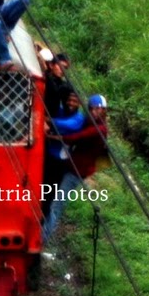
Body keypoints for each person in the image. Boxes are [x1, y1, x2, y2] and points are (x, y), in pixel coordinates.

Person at [41, 93, 110, 242]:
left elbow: (77, 137)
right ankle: (41, 233)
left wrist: (53, 136)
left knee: (56, 205)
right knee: (52, 198)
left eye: (98, 109)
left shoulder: (100, 129)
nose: (94, 112)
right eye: (92, 109)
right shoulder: (89, 122)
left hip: (77, 171)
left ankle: (42, 239)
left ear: (103, 111)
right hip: (71, 166)